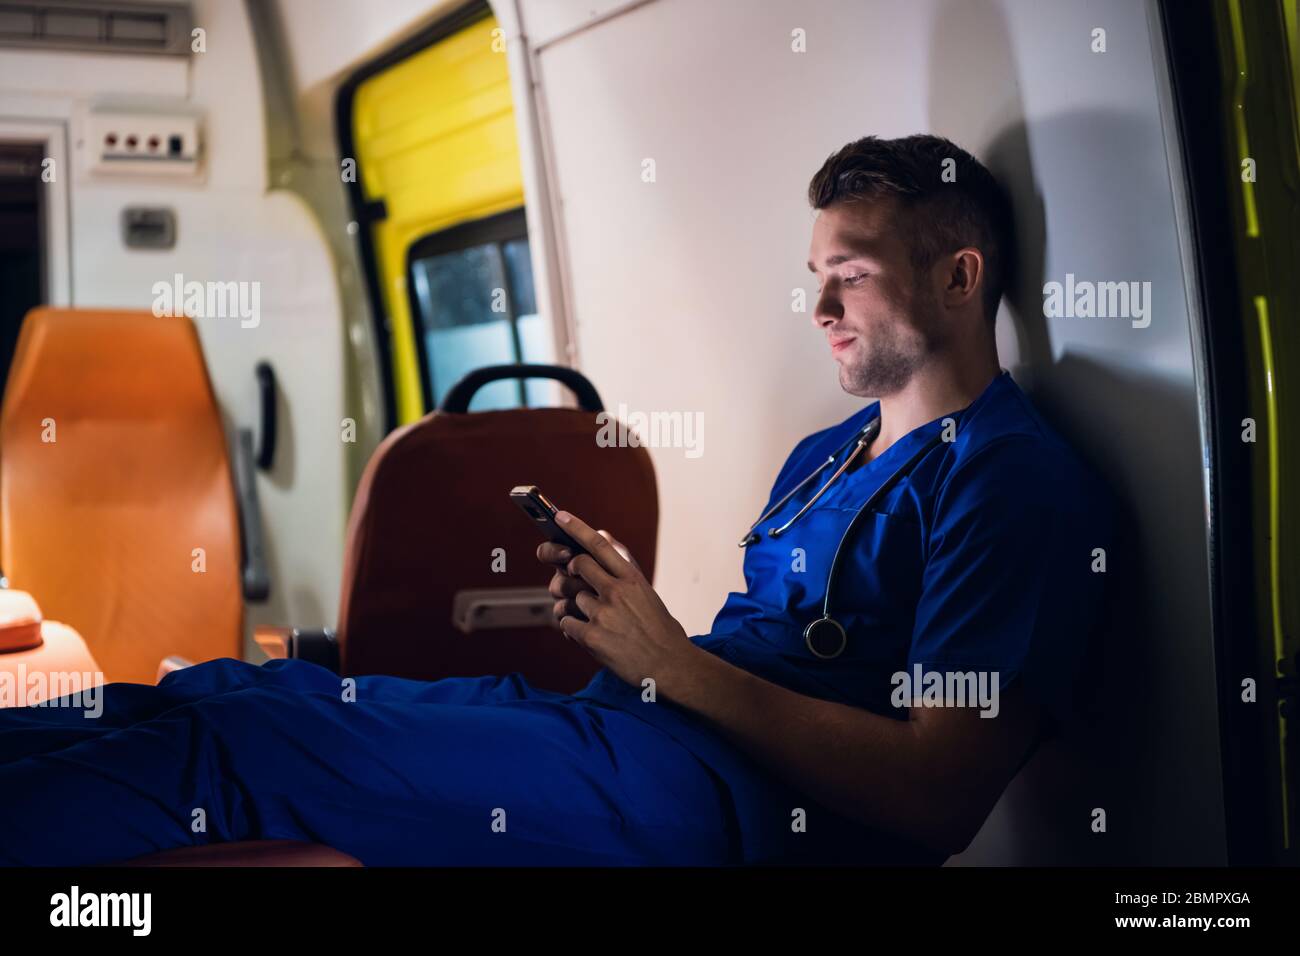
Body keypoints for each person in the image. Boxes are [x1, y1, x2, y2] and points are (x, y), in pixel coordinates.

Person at [0, 134, 1113, 867]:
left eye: (852, 274)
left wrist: (675, 664)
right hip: (636, 724)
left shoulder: (1007, 482)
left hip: (725, 810)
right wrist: (648, 649)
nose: (817, 303)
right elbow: (744, 660)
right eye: (814, 273)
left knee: (251, 746)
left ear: (961, 278)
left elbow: (936, 794)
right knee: (244, 687)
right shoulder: (829, 453)